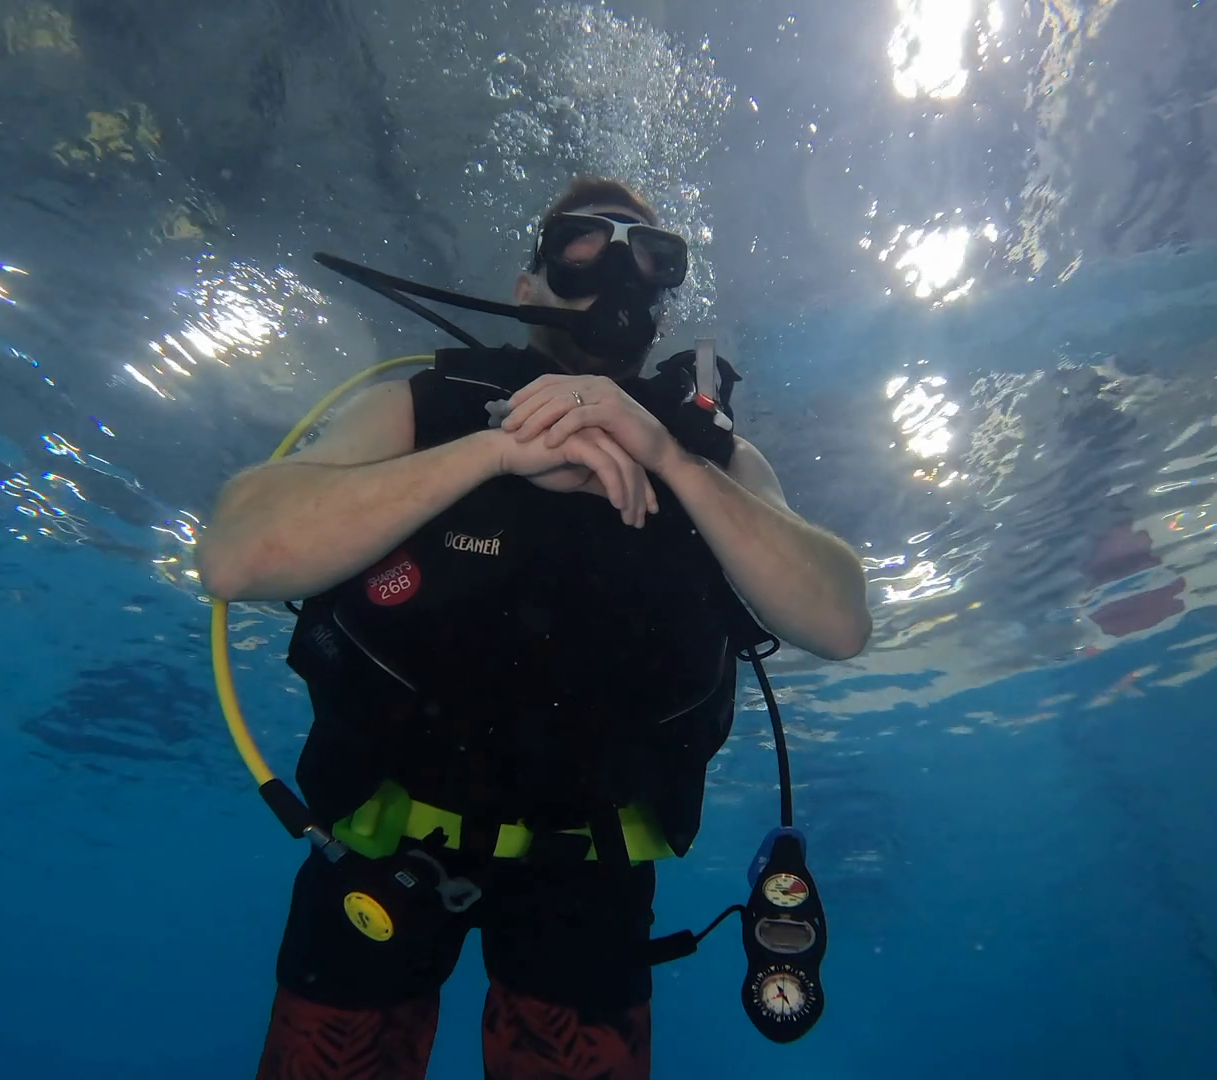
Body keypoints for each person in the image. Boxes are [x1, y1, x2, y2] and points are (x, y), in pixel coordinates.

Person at [198, 175, 871, 1080]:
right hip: (377, 839)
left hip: (589, 869)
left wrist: (666, 454)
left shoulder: (708, 452)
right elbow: (235, 553)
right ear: (529, 284)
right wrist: (495, 451)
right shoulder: (427, 406)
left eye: (647, 257)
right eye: (580, 250)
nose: (616, 280)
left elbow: (837, 620)